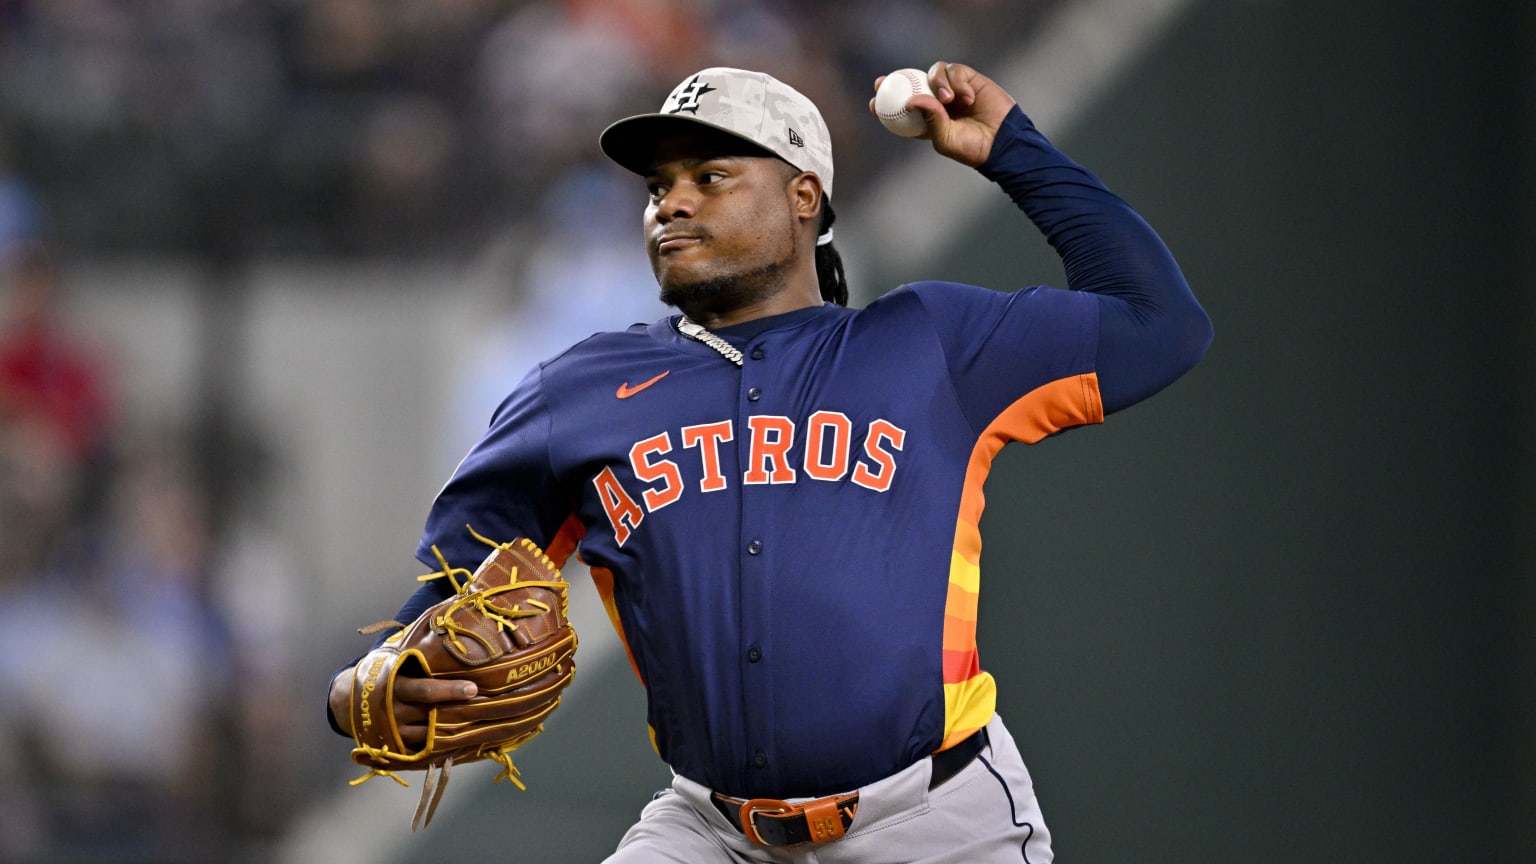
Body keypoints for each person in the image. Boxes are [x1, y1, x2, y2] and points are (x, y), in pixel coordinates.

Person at [327, 61, 1212, 862]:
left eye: (710, 178)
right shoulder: (578, 392)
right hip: (711, 832)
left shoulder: (929, 343)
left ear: (804, 199)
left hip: (936, 824)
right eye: (659, 186)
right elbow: (453, 594)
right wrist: (359, 694)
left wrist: (1012, 149)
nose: (671, 204)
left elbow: (1159, 323)